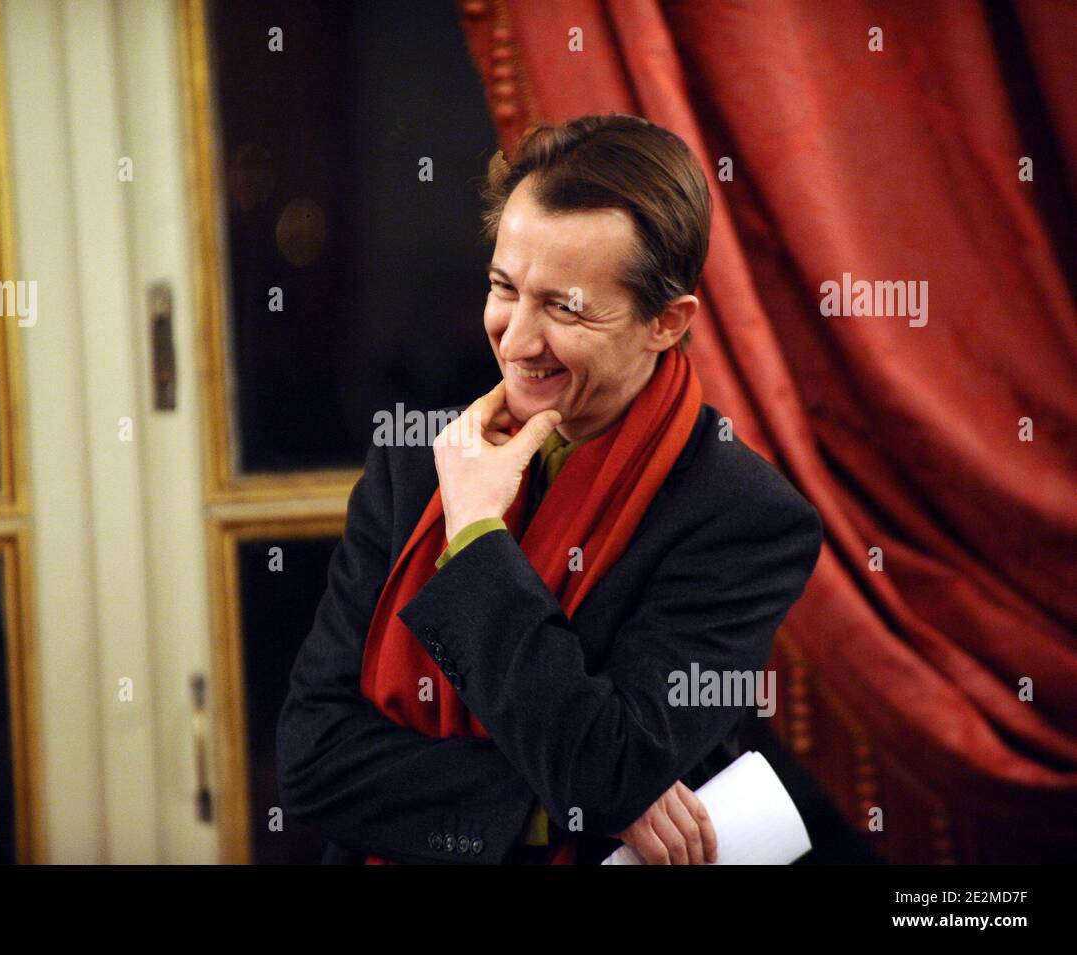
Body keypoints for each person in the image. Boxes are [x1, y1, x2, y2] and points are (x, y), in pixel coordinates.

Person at [276, 114, 823, 865]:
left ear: (666, 322)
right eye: (505, 287)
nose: (515, 338)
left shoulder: (746, 518)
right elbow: (312, 758)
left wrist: (473, 538)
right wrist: (542, 806)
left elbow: (608, 770)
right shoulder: (414, 457)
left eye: (564, 307)